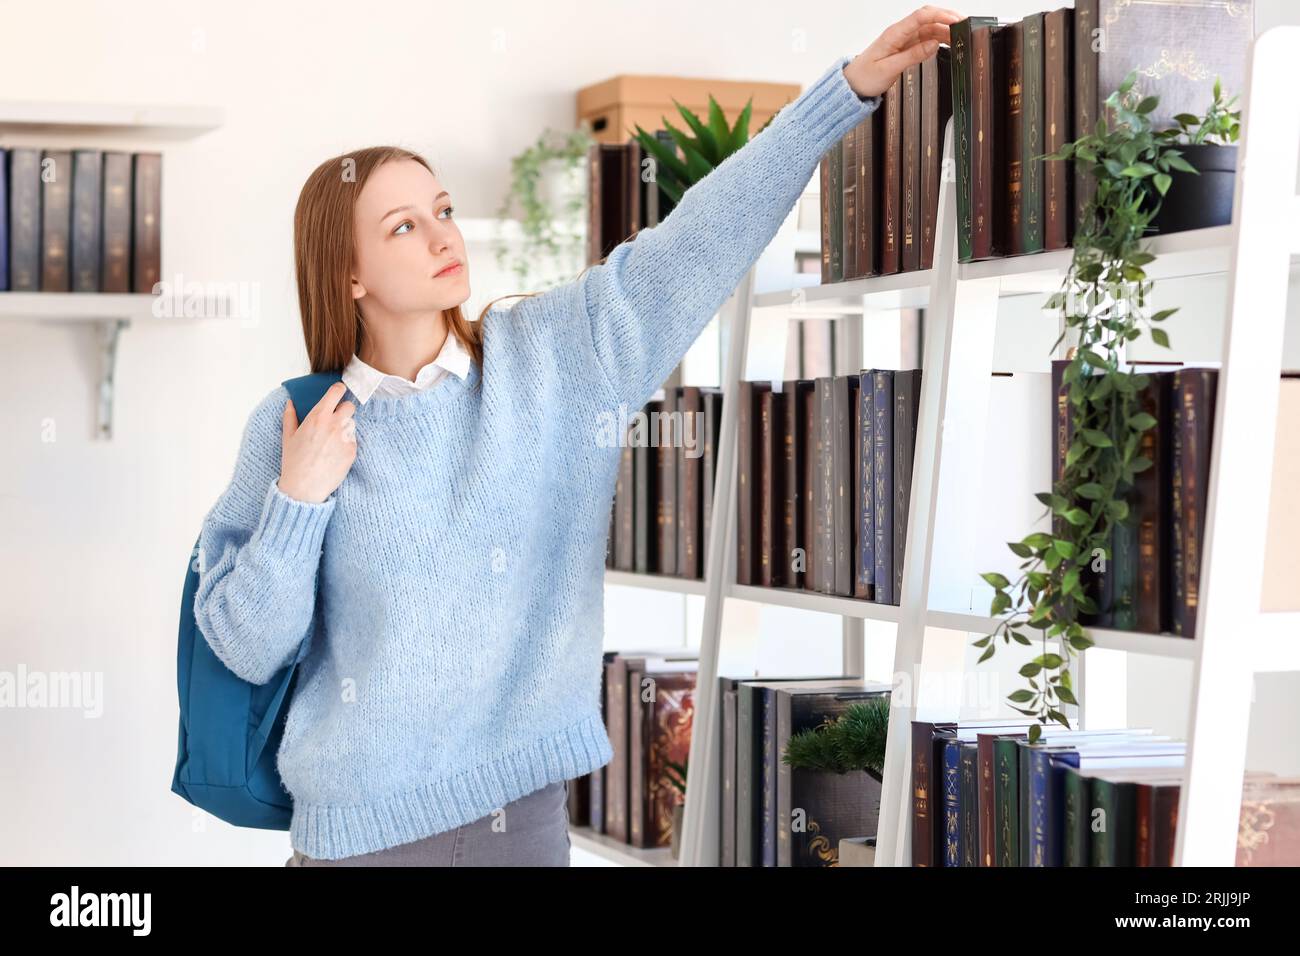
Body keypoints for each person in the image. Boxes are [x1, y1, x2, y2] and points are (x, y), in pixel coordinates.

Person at [193, 6, 961, 867]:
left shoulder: (552, 359)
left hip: (519, 829)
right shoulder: (296, 423)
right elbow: (245, 645)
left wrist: (843, 92)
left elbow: (693, 243)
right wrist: (298, 500)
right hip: (354, 842)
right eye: (403, 225)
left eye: (442, 208)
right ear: (349, 274)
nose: (444, 234)